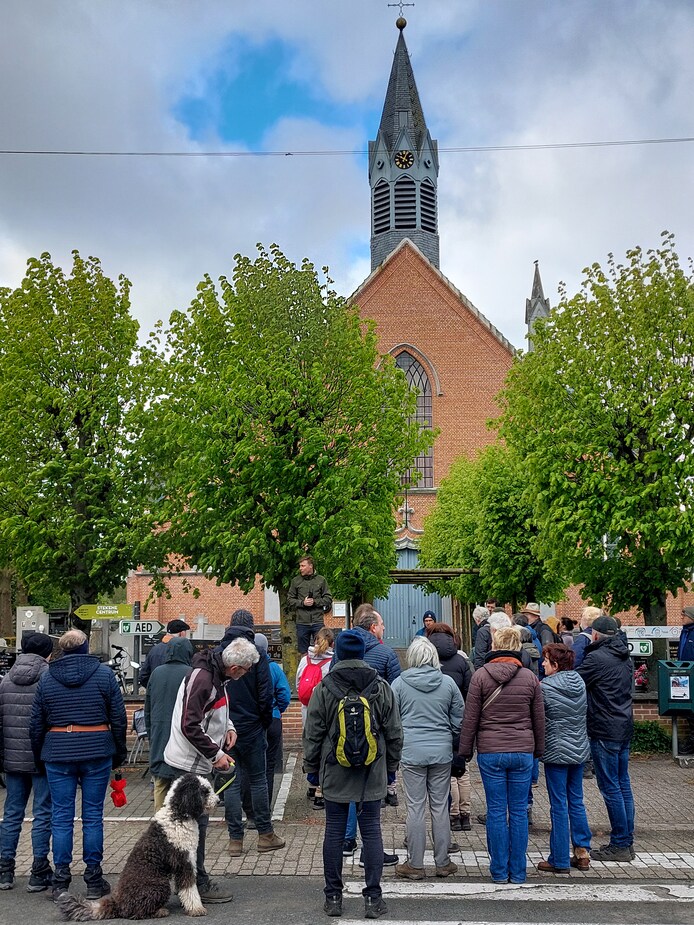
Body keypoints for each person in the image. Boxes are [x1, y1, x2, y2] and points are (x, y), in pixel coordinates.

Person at [303, 629, 403, 919]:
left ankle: (333, 897)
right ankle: (373, 899)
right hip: (373, 770)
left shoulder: (326, 687)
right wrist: (391, 768)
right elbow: (395, 732)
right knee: (371, 830)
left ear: (339, 655)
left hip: (335, 769)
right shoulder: (381, 686)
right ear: (361, 654)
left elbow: (313, 733)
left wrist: (312, 770)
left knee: (334, 830)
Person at [29, 629, 127, 902]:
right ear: (85, 648)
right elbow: (118, 717)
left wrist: (41, 754)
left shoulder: (47, 678)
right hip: (96, 750)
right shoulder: (105, 675)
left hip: (58, 751)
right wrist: (118, 753)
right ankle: (94, 878)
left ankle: (61, 880)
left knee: (61, 817)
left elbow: (36, 723)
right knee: (93, 816)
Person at [164, 636, 258, 903]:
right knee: (193, 828)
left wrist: (229, 727)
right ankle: (195, 883)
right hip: (189, 765)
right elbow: (189, 724)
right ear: (236, 668)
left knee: (194, 826)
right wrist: (216, 754)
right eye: (247, 670)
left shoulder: (215, 673)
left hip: (196, 761)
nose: (247, 674)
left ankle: (192, 880)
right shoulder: (205, 679)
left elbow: (211, 713)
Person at [459, 625, 545, 884]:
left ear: (495, 645)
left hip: (491, 751)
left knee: (496, 811)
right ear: (518, 647)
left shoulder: (481, 676)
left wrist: (464, 752)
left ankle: (498, 871)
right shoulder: (529, 677)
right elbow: (539, 719)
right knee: (518, 812)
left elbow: (470, 718)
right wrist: (538, 751)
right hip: (522, 751)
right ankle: (518, 872)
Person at [392, 637, 463, 880]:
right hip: (441, 751)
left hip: (411, 751)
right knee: (440, 806)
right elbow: (459, 718)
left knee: (415, 807)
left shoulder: (400, 684)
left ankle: (415, 863)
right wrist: (449, 735)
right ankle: (443, 862)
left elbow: (392, 719)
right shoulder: (448, 683)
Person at [216, 610, 284, 857]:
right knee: (258, 779)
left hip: (225, 726)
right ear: (252, 628)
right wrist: (264, 723)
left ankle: (236, 839)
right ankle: (265, 834)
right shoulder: (258, 655)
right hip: (253, 726)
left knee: (231, 782)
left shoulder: (218, 653)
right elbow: (266, 694)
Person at [342, 605, 401, 861]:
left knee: (349, 791)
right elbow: (395, 695)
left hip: (345, 731)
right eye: (382, 624)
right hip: (375, 733)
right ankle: (371, 852)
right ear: (372, 627)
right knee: (370, 796)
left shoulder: (342, 654)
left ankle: (346, 841)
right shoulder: (386, 654)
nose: (384, 628)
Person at [577, 614, 635, 862]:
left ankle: (620, 843)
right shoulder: (626, 657)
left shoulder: (597, 658)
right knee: (623, 785)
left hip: (603, 729)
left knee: (611, 787)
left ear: (596, 635)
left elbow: (575, 681)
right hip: (623, 726)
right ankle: (627, 840)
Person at [0, 632, 53, 892]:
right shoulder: (48, 678)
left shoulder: (6, 681)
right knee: (42, 814)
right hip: (41, 757)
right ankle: (38, 871)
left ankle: (5, 871)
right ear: (48, 653)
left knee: (11, 813)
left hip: (12, 759)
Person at [537, 643, 591, 874]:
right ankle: (582, 851)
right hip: (578, 749)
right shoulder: (580, 683)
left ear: (556, 665)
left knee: (558, 805)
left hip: (556, 751)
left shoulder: (544, 687)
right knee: (576, 800)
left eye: (546, 661)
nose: (542, 664)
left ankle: (558, 858)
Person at [427, 622, 472, 831]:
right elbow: (470, 692)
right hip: (460, 720)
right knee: (463, 768)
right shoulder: (461, 661)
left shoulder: (428, 661)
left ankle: (452, 813)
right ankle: (465, 813)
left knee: (446, 770)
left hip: (435, 721)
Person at [144, 635, 194, 811]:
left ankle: (160, 822)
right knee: (184, 783)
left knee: (160, 782)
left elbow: (148, 707)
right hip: (182, 733)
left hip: (159, 732)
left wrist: (151, 732)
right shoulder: (191, 673)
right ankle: (183, 818)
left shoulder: (156, 673)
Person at [296, 626, 335, 808]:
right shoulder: (332, 662)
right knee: (325, 747)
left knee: (310, 746)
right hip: (325, 711)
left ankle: (312, 783)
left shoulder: (305, 659)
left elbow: (298, 684)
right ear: (332, 643)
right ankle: (321, 789)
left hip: (307, 708)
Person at [254, 632, 291, 808]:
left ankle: (250, 806)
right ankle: (265, 806)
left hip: (252, 721)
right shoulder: (274, 668)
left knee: (250, 765)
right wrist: (278, 710)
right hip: (273, 719)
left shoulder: (246, 667)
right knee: (269, 765)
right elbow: (284, 694)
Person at [287, 556, 333, 655]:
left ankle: (321, 669)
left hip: (318, 621)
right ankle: (305, 669)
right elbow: (290, 599)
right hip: (302, 622)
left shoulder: (321, 580)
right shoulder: (296, 581)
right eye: (300, 566)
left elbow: (328, 598)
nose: (300, 568)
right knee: (303, 652)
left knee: (322, 648)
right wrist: (302, 603)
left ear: (310, 566)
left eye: (303, 566)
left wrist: (315, 602)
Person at [138, 619, 190, 688]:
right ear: (182, 633)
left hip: (157, 695)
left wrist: (153, 689)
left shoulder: (154, 650)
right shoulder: (181, 651)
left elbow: (143, 676)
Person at [677, 607, 694, 755]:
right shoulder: (685, 632)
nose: (681, 617)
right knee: (689, 711)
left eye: (684, 615)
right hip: (686, 677)